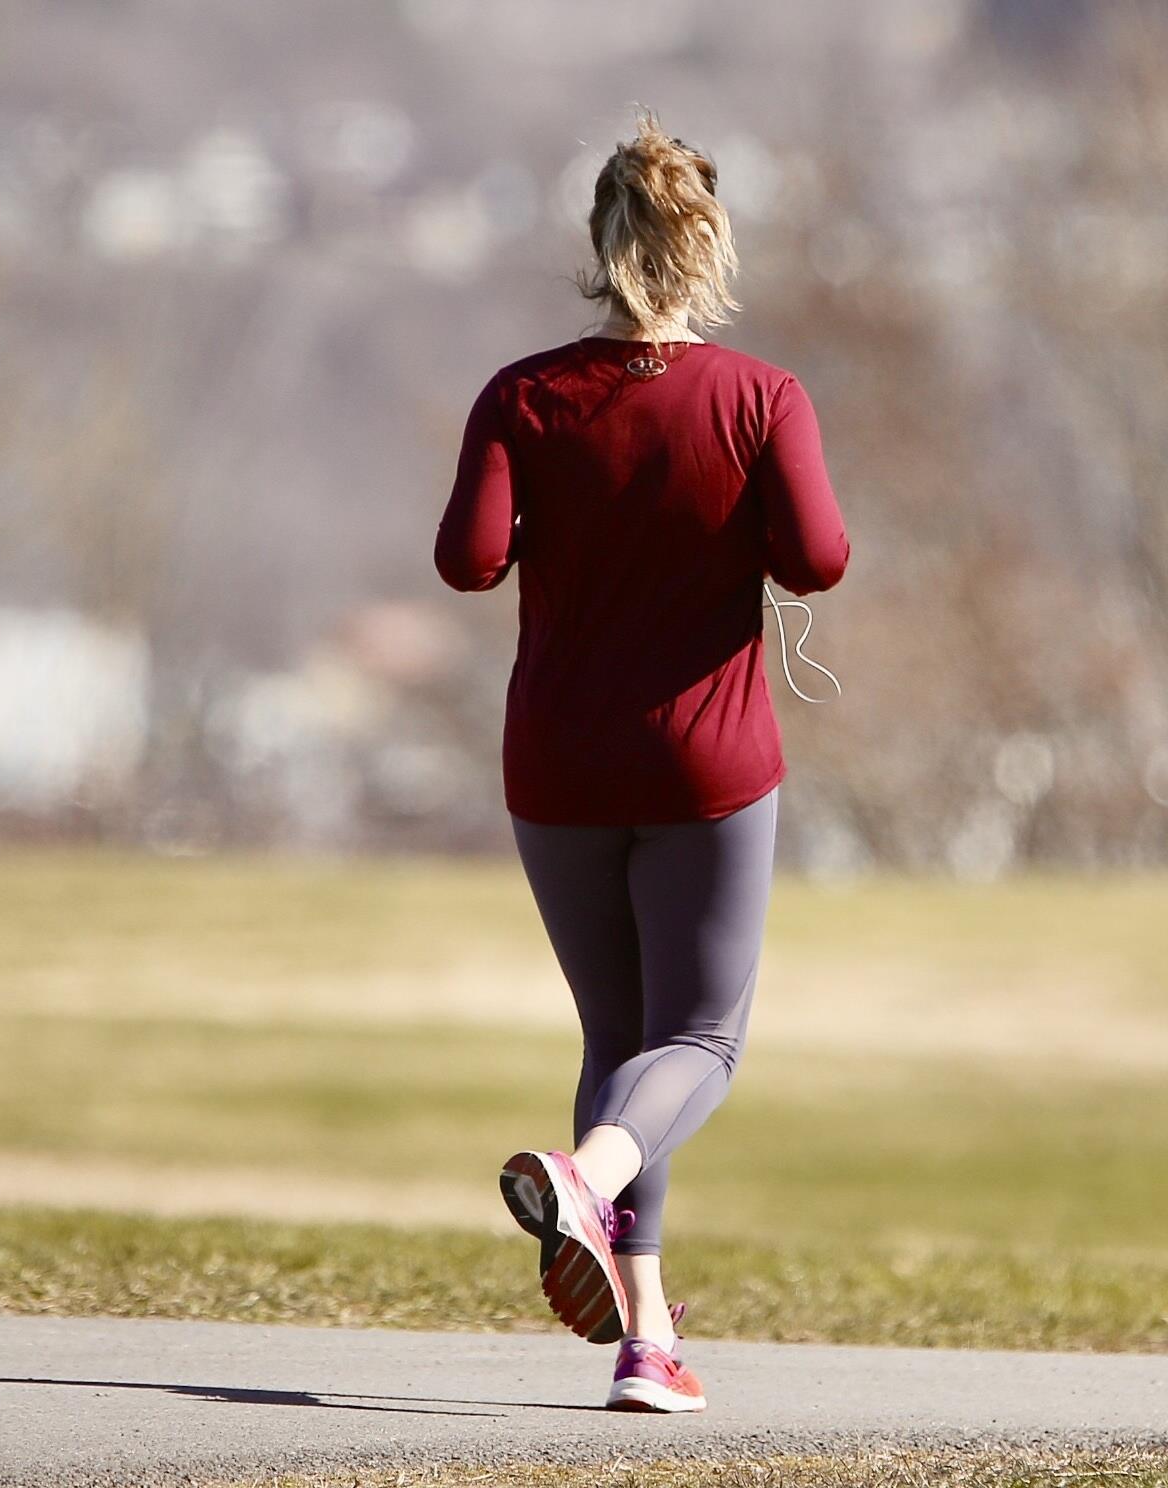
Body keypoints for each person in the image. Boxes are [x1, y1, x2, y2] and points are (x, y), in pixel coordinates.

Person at [431, 110, 849, 1414]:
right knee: (701, 1043)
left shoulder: (523, 395)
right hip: (704, 767)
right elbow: (819, 557)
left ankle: (646, 1339)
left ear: (598, 246)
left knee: (620, 1040)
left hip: (556, 764)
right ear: (703, 247)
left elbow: (467, 558)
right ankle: (590, 1185)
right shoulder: (758, 398)